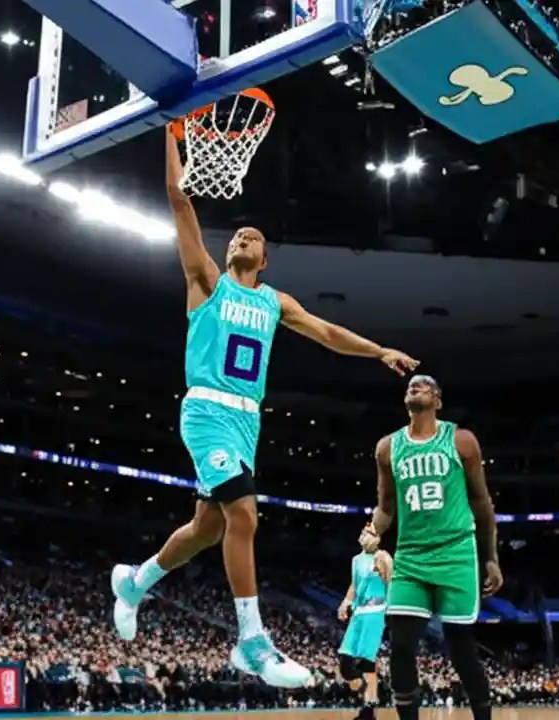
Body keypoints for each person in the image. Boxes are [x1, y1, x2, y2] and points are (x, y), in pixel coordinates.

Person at [110, 124, 419, 688]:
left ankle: (134, 581)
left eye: (252, 236)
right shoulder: (206, 281)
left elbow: (326, 331)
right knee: (245, 515)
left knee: (206, 528)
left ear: (266, 258)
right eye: (237, 235)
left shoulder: (275, 301)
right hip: (206, 410)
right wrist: (169, 130)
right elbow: (179, 199)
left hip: (247, 421)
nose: (242, 238)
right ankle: (251, 641)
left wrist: (378, 352)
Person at [365, 374, 502, 720]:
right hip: (411, 557)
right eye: (411, 384)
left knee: (461, 649)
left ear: (438, 400)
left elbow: (482, 502)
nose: (416, 385)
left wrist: (491, 558)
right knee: (400, 647)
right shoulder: (387, 447)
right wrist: (371, 530)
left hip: (456, 551)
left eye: (425, 384)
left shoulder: (461, 440)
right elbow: (385, 508)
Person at [337, 525, 393, 720]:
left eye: (369, 533)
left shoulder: (383, 557)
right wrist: (345, 602)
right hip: (358, 614)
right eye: (363, 533)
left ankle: (369, 709)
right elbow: (354, 585)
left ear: (377, 539)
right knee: (345, 665)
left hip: (375, 612)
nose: (365, 536)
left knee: (365, 661)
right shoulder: (356, 560)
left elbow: (391, 584)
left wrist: (385, 569)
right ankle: (366, 690)